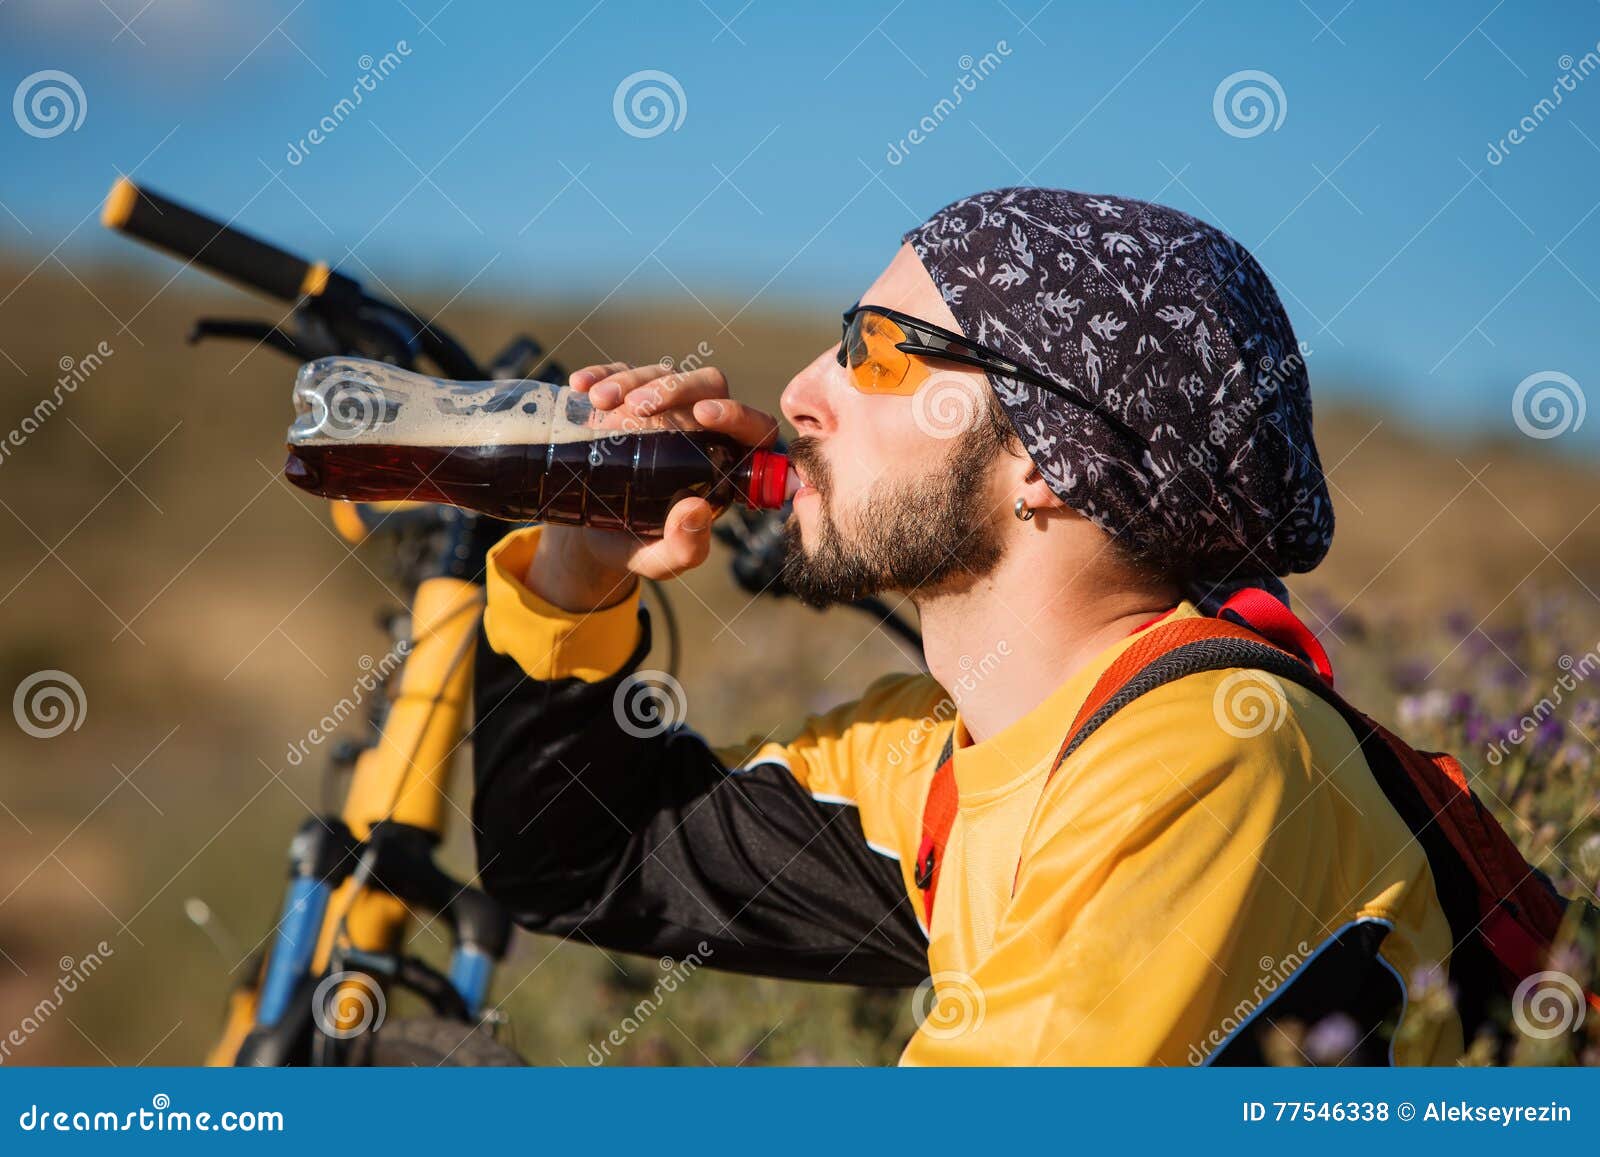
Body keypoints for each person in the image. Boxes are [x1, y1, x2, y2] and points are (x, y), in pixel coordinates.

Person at [469, 186, 1461, 1065]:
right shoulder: (943, 761)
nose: (801, 391)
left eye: (879, 351)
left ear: (1048, 454)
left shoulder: (1203, 754)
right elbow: (588, 863)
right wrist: (575, 576)